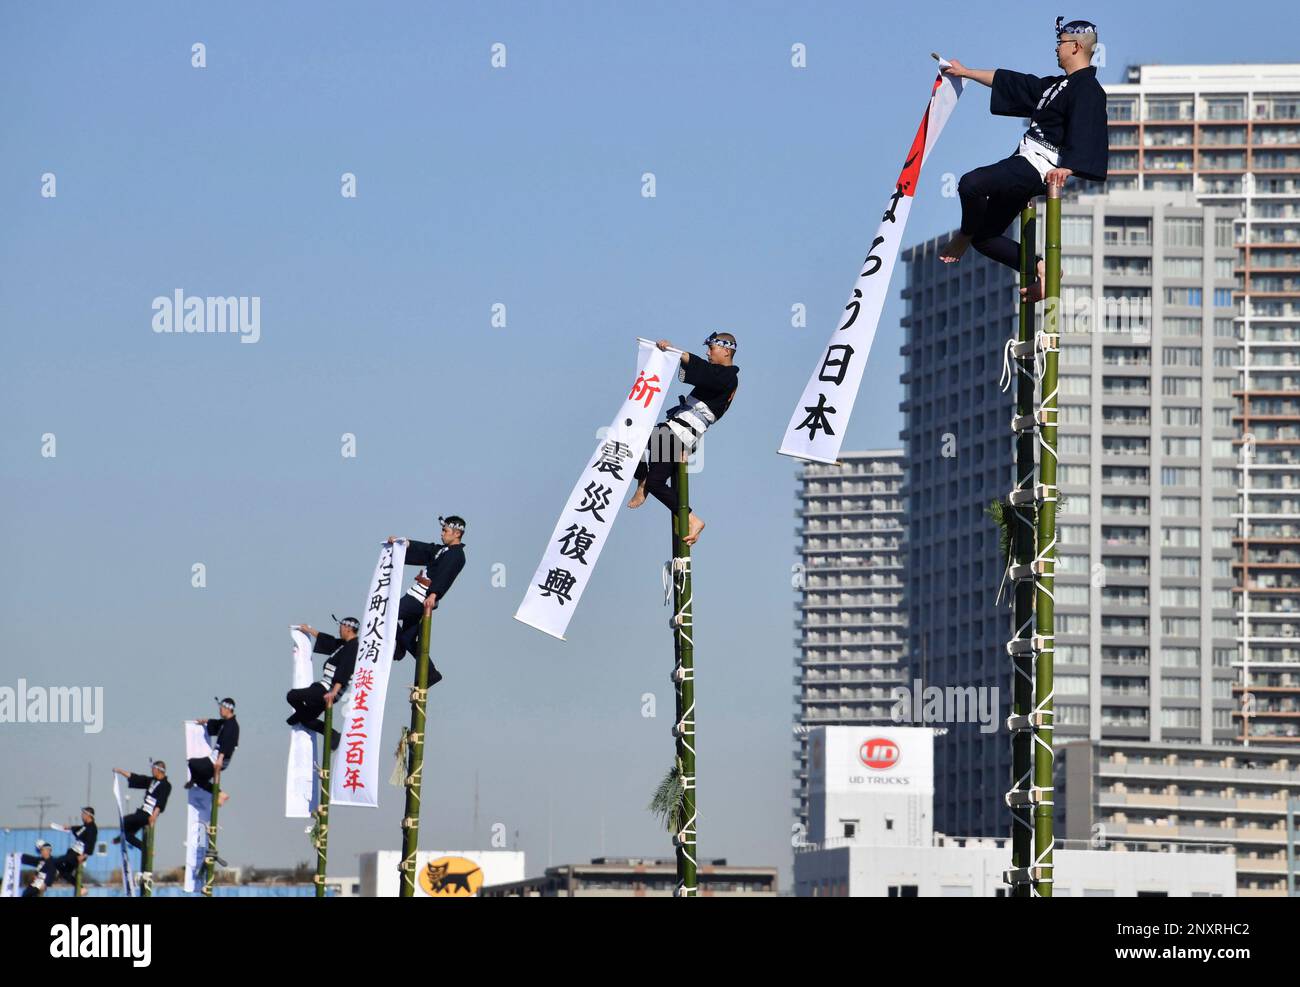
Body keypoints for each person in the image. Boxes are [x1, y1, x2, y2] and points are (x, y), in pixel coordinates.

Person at [938, 17, 1108, 300]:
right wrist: (965, 72)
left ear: (1076, 46)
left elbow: (1087, 130)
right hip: (1024, 162)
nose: (1056, 49)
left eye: (1060, 43)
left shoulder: (1087, 89)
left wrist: (1067, 168)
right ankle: (1045, 268)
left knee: (971, 184)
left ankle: (963, 236)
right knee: (986, 238)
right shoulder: (1056, 86)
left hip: (1037, 165)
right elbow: (1011, 82)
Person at [628, 333, 740, 545]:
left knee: (632, 443)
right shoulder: (720, 375)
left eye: (712, 349)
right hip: (674, 433)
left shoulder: (728, 377)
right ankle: (689, 516)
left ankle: (690, 517)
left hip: (678, 435)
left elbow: (704, 371)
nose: (708, 353)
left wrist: (675, 352)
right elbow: (704, 372)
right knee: (653, 478)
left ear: (726, 351)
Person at [386, 516, 467, 684]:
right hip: (417, 595)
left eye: (445, 531)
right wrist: (403, 543)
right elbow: (426, 549)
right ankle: (431, 673)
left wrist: (433, 594)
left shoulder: (456, 555)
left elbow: (445, 575)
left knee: (386, 613)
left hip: (420, 598)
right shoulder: (443, 550)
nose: (442, 533)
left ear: (457, 533)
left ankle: (399, 648)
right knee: (408, 639)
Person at [287, 615, 359, 750]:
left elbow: (345, 670)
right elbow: (329, 642)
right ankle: (332, 734)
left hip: (327, 690)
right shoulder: (345, 644)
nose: (339, 629)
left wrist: (334, 692)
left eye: (341, 626)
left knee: (292, 695)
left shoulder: (353, 647)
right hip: (325, 688)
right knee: (307, 720)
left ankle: (301, 713)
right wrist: (309, 630)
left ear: (348, 628)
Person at [185, 697, 239, 806]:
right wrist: (205, 721)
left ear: (228, 709)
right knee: (200, 781)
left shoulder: (231, 726)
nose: (220, 710)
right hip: (217, 759)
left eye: (222, 708)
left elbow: (227, 743)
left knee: (192, 762)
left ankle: (194, 780)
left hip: (217, 760)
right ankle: (220, 794)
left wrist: (220, 759)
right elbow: (216, 723)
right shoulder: (226, 722)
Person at [112, 761, 171, 852]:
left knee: (125, 820)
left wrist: (154, 816)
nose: (152, 770)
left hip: (148, 815)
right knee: (127, 835)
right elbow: (137, 778)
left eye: (153, 769)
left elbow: (161, 801)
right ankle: (144, 848)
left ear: (159, 770)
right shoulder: (152, 781)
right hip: (141, 812)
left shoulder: (166, 785)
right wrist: (120, 771)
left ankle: (124, 837)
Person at [50, 807, 97, 886]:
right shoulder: (85, 826)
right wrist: (69, 828)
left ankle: (57, 872)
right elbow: (79, 829)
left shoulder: (92, 828)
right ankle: (81, 888)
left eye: (83, 814)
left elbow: (91, 843)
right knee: (65, 874)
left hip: (77, 854)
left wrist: (84, 855)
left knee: (55, 861)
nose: (81, 816)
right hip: (73, 851)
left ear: (88, 815)